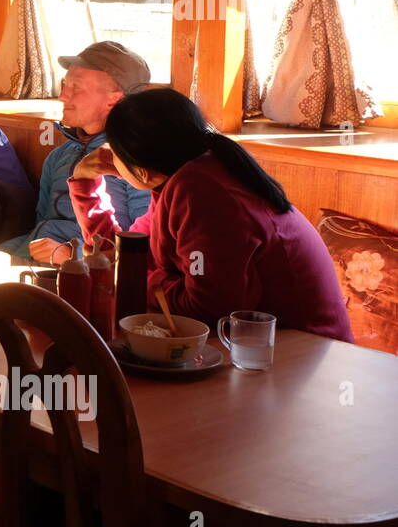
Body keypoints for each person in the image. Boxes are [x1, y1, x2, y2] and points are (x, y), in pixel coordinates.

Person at [69, 87, 352, 342]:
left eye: (113, 151)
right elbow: (120, 256)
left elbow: (206, 308)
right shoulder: (186, 176)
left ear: (141, 170)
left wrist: (142, 277)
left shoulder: (203, 192)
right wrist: (85, 184)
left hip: (302, 349)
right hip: (255, 343)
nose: (107, 157)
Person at [0, 41, 153, 264]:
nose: (63, 96)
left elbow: (145, 248)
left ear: (113, 98)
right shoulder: (58, 156)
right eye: (64, 84)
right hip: (34, 258)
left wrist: (74, 258)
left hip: (90, 274)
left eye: (76, 88)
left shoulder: (138, 161)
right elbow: (42, 223)